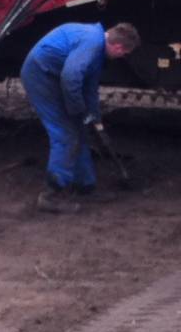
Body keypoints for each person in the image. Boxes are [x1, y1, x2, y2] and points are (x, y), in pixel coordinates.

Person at [20, 21, 141, 210]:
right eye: (124, 54)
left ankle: (85, 186)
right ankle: (50, 197)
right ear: (118, 47)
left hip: (54, 76)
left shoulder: (99, 53)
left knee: (80, 130)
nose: (122, 57)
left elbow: (89, 89)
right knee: (66, 135)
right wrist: (78, 111)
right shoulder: (92, 42)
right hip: (40, 76)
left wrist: (94, 117)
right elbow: (70, 77)